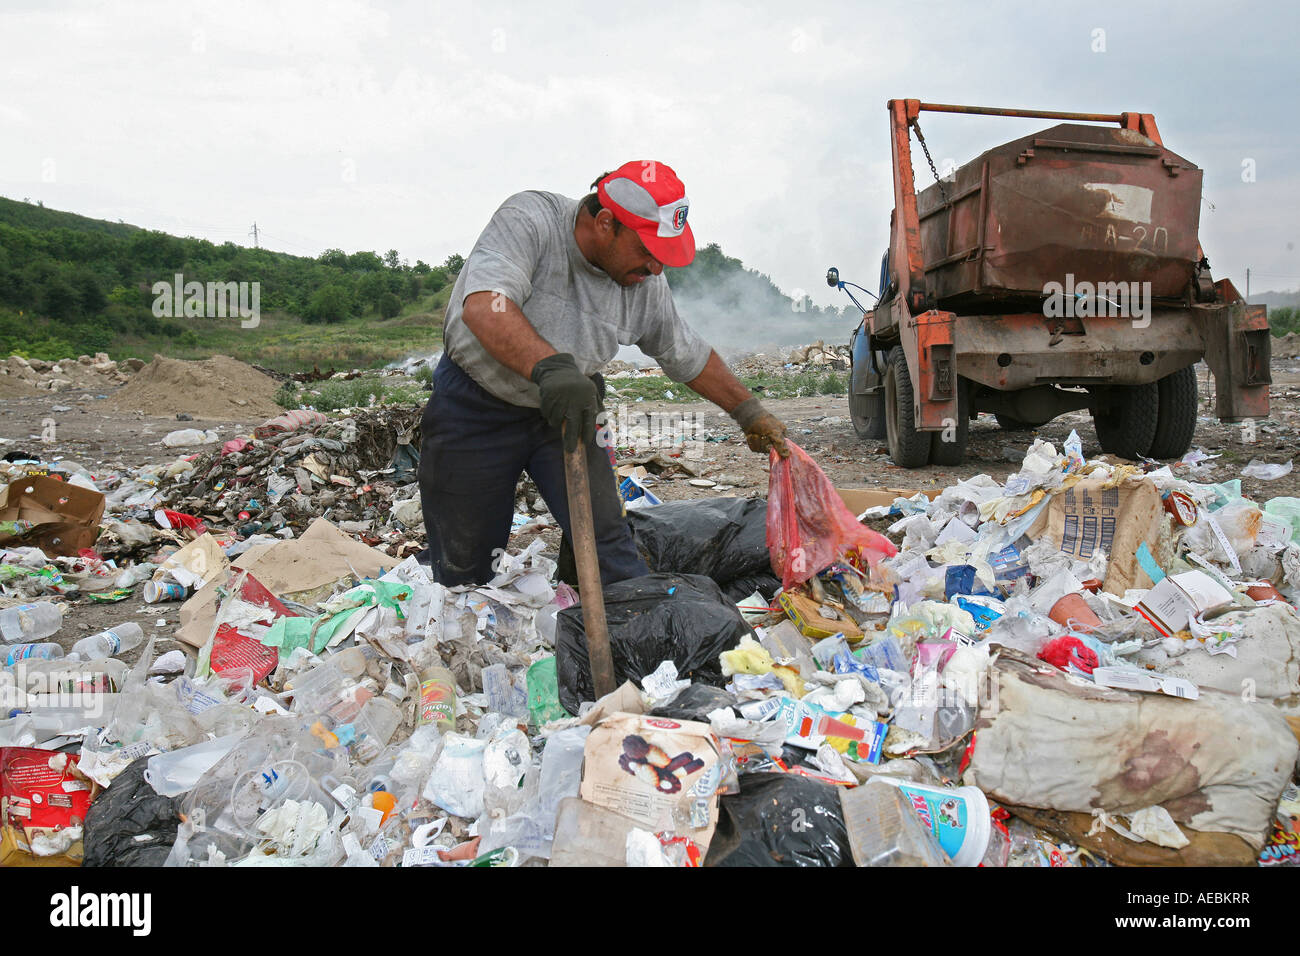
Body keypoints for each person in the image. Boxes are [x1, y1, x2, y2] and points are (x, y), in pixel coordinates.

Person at [418, 159, 790, 587]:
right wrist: (550, 367)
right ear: (606, 223)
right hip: (475, 404)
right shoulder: (531, 220)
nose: (656, 269)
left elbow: (683, 350)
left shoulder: (644, 283)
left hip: (571, 410)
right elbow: (487, 304)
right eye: (648, 252)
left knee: (607, 537)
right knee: (465, 563)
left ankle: (624, 625)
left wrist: (747, 411)